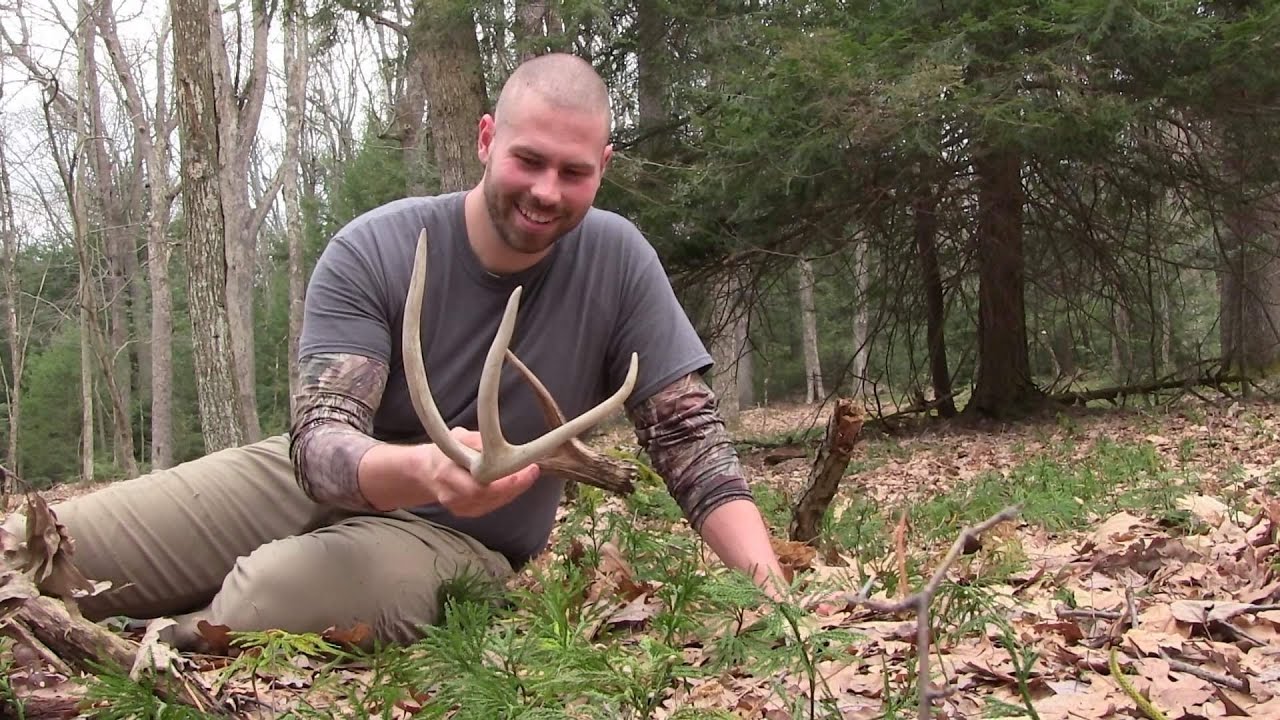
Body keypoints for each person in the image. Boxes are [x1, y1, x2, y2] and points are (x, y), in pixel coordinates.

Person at [25, 52, 785, 651]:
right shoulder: (377, 247)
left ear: (602, 169)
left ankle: (143, 642)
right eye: (529, 159)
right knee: (49, 548)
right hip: (338, 479)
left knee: (269, 598)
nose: (547, 191)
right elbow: (320, 443)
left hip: (464, 538)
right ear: (487, 139)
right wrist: (423, 467)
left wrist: (772, 596)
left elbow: (690, 443)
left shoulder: (617, 261)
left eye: (574, 172)